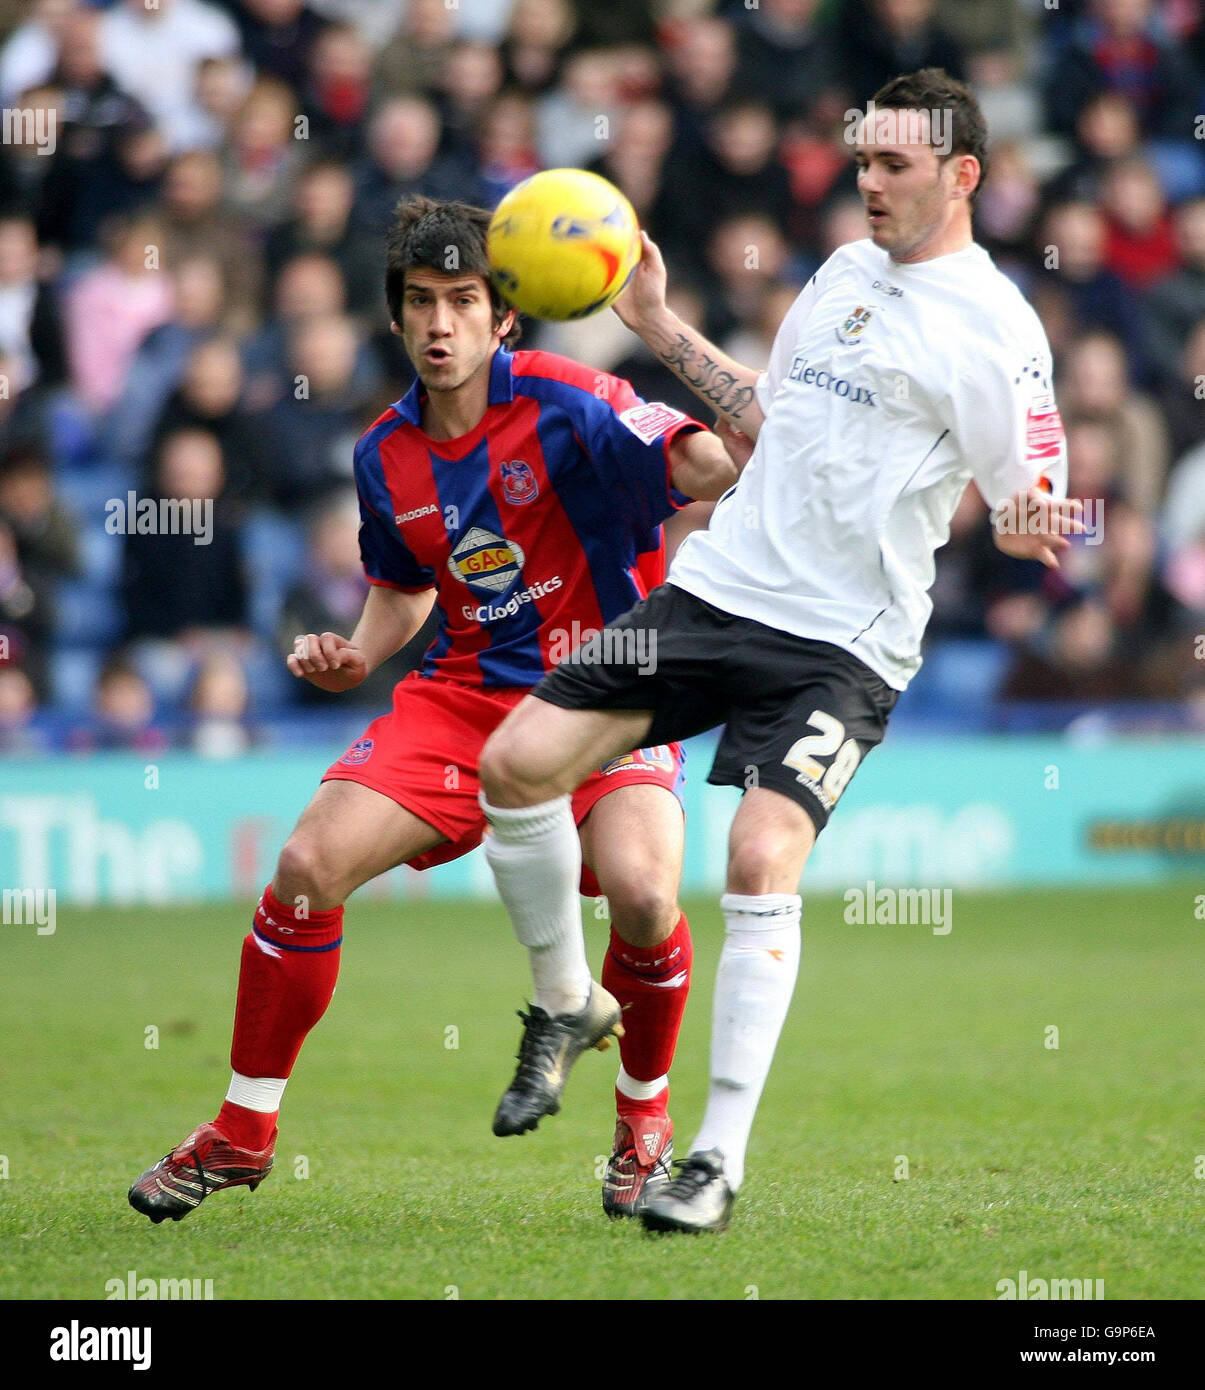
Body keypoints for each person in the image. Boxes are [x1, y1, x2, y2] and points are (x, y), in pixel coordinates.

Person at [474, 68, 1082, 1233]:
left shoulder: (997, 330)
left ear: (960, 176)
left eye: (893, 166)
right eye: (861, 162)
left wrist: (1027, 514)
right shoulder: (842, 273)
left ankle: (710, 1157)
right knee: (516, 764)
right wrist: (652, 321)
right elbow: (762, 421)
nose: (868, 184)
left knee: (757, 861)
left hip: (840, 647)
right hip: (717, 594)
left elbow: (1029, 491)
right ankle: (566, 997)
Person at [127, 195, 741, 1224]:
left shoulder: (572, 402)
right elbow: (409, 581)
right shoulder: (384, 454)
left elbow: (714, 464)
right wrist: (357, 651)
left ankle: (642, 1120)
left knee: (640, 892)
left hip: (604, 696)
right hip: (463, 701)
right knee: (306, 869)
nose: (440, 323)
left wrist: (658, 328)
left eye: (463, 300)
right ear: (397, 316)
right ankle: (241, 1132)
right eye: (420, 302)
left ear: (504, 315)